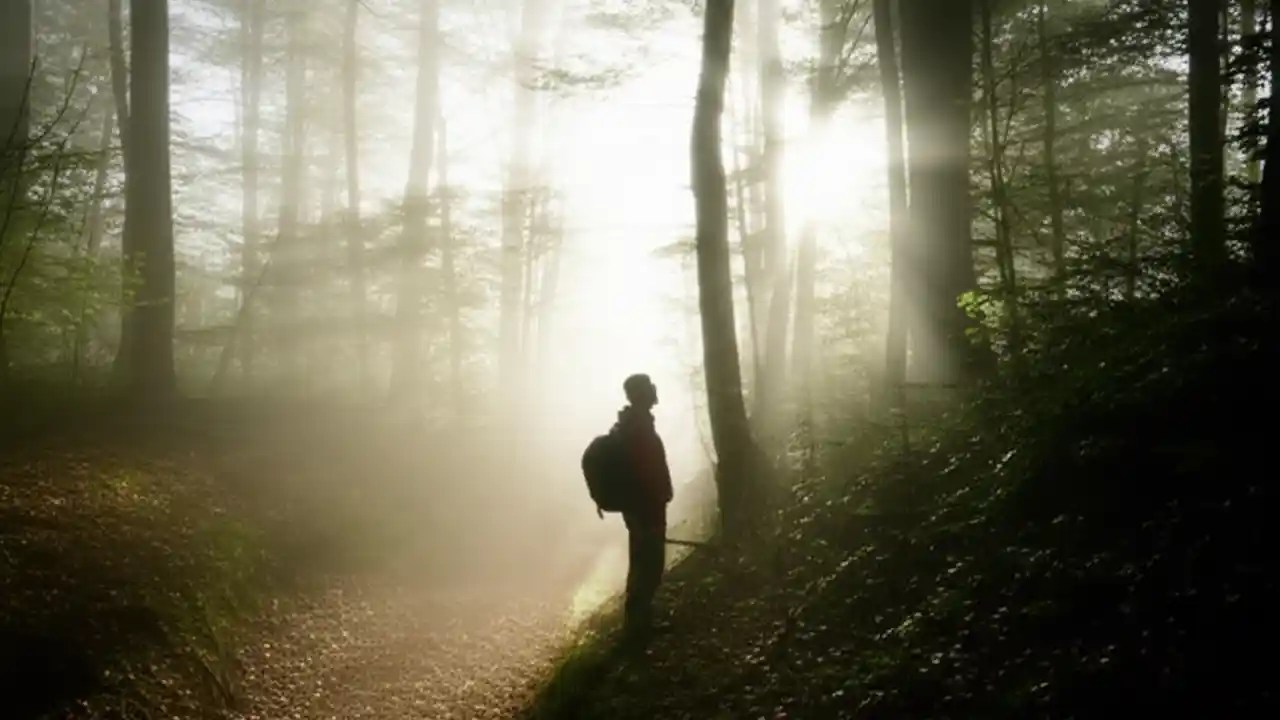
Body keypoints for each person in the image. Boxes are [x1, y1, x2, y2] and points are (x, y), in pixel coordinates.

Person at [612, 373, 673, 639]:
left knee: (644, 565)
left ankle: (638, 625)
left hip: (644, 508)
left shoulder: (635, 425)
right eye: (649, 387)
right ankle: (637, 630)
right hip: (645, 509)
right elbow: (642, 473)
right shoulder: (637, 429)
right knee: (646, 566)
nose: (654, 390)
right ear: (640, 394)